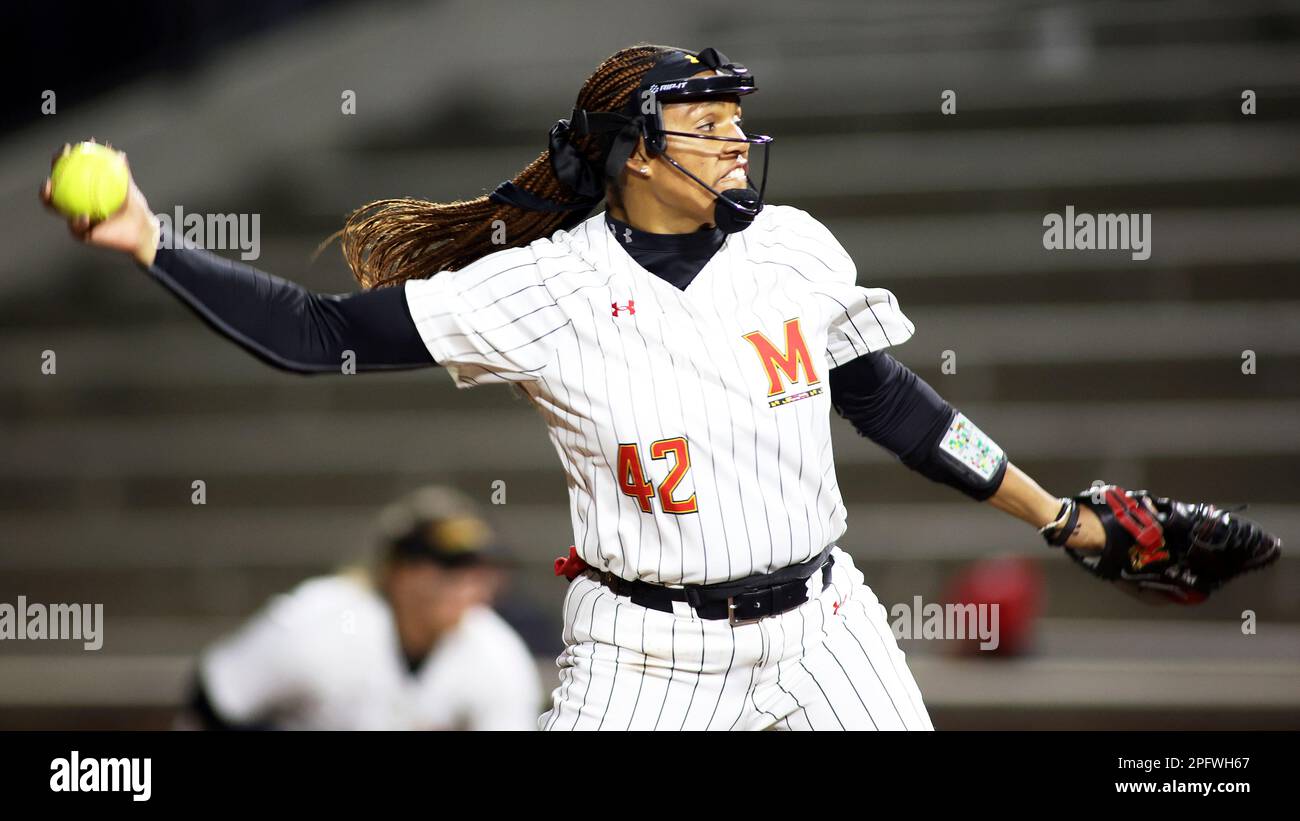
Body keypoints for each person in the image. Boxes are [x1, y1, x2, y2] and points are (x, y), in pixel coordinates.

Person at [44, 44, 1279, 730]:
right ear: (637, 149)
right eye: (706, 121)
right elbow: (317, 333)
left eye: (739, 117)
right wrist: (154, 242)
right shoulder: (543, 286)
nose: (737, 135)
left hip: (824, 625)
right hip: (644, 653)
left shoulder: (791, 244)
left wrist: (1055, 515)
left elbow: (885, 397)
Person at [182, 485, 541, 730]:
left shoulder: (494, 650)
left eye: (473, 571)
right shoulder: (321, 620)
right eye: (448, 569)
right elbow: (214, 699)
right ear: (400, 572)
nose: (467, 587)